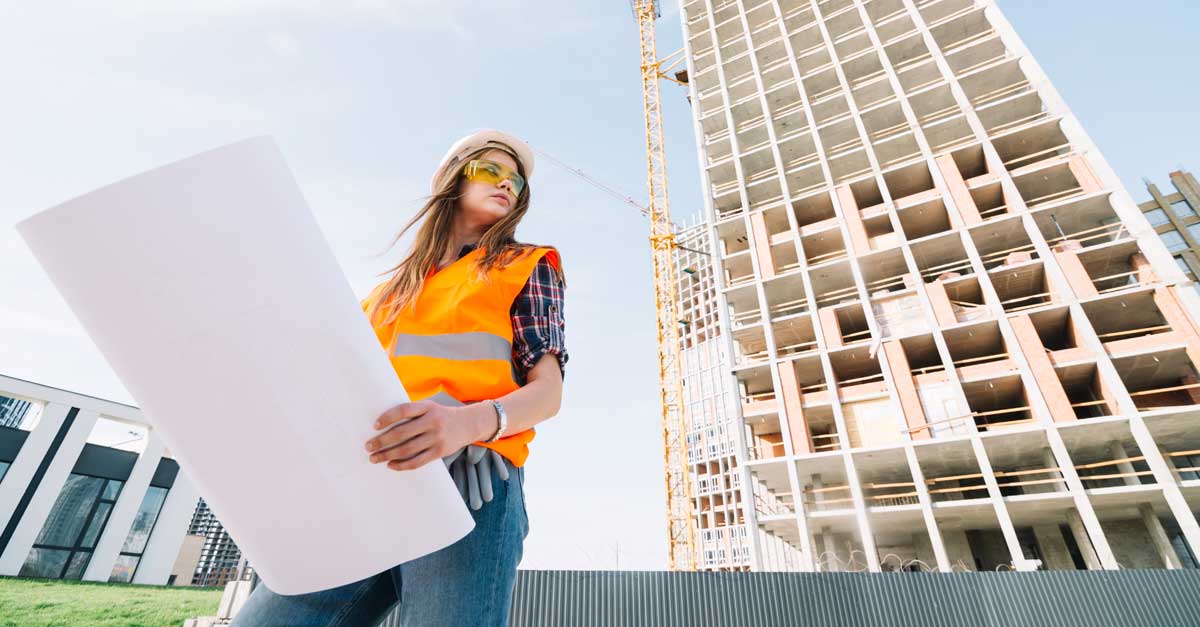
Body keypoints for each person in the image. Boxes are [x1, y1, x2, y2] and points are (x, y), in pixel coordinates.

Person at [230, 129, 567, 626]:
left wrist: (466, 425)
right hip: (364, 484)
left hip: (469, 483)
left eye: (516, 181)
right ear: (454, 179)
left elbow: (548, 394)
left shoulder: (525, 265)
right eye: (490, 170)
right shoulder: (383, 294)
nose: (507, 184)